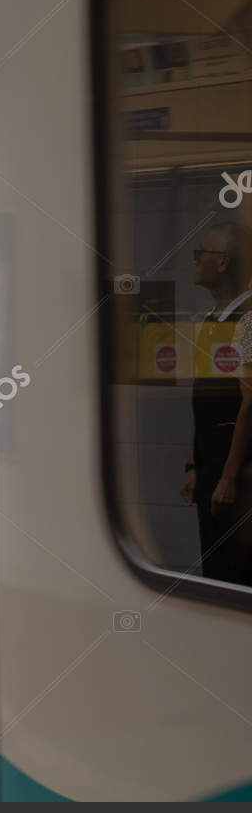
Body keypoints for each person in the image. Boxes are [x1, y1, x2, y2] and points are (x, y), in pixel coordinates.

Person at [182, 222, 252, 582]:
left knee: (236, 573)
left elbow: (250, 401)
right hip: (212, 466)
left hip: (238, 473)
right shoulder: (211, 321)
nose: (195, 262)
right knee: (215, 569)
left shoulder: (249, 319)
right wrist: (192, 465)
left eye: (201, 254)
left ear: (222, 263)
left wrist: (229, 475)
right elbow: (203, 392)